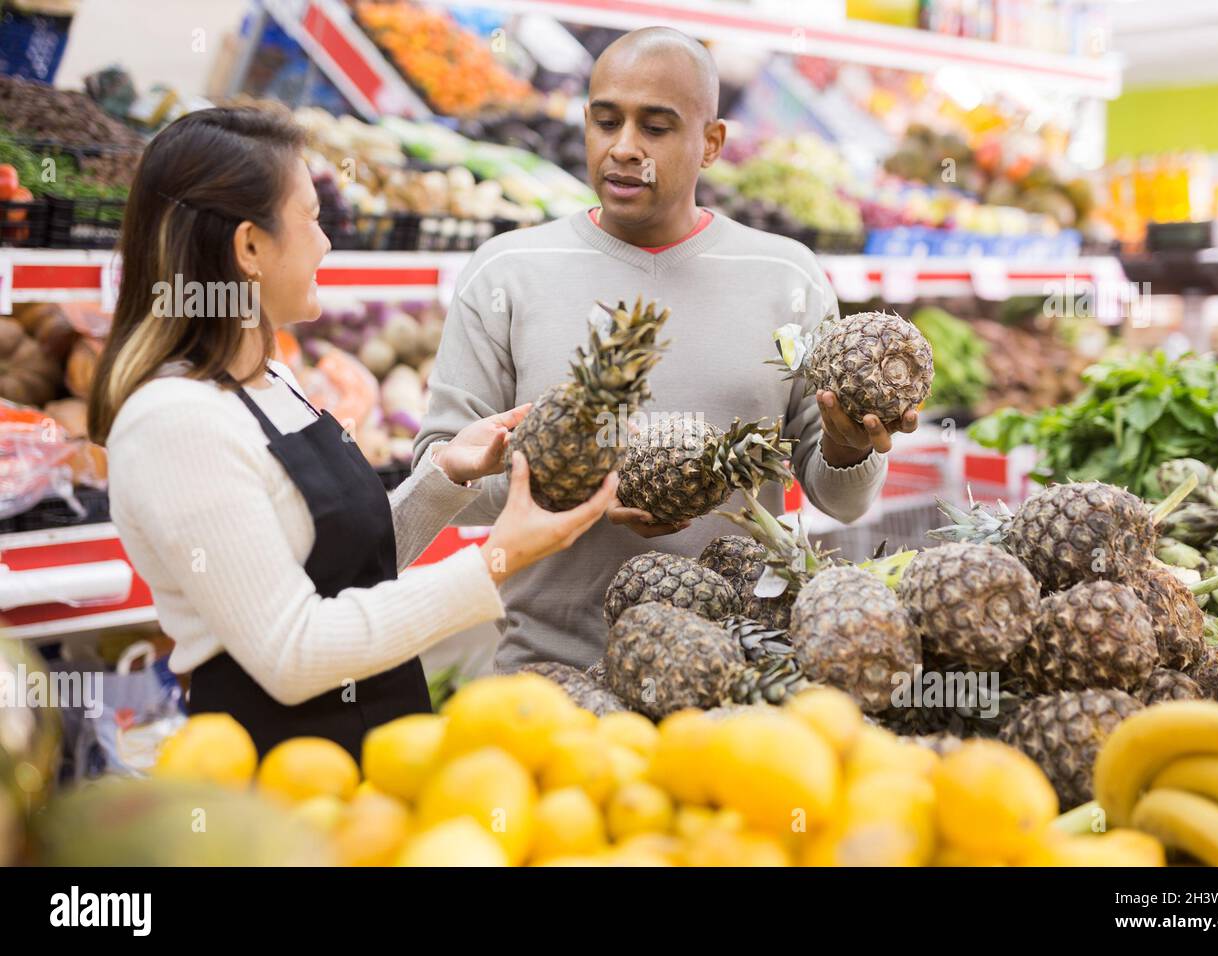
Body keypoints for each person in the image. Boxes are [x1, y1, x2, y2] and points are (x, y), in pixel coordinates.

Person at [88, 108, 617, 759]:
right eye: (311, 219)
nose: (327, 243)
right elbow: (293, 653)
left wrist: (443, 480)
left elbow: (340, 570)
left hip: (374, 761)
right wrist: (495, 561)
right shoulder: (176, 421)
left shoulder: (268, 378)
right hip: (285, 782)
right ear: (250, 247)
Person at [415, 28, 918, 673]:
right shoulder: (507, 271)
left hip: (738, 668)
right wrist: (562, 481)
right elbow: (440, 471)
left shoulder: (787, 277)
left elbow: (839, 498)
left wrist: (850, 446)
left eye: (656, 127)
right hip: (547, 669)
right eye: (605, 120)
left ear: (711, 143)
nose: (624, 148)